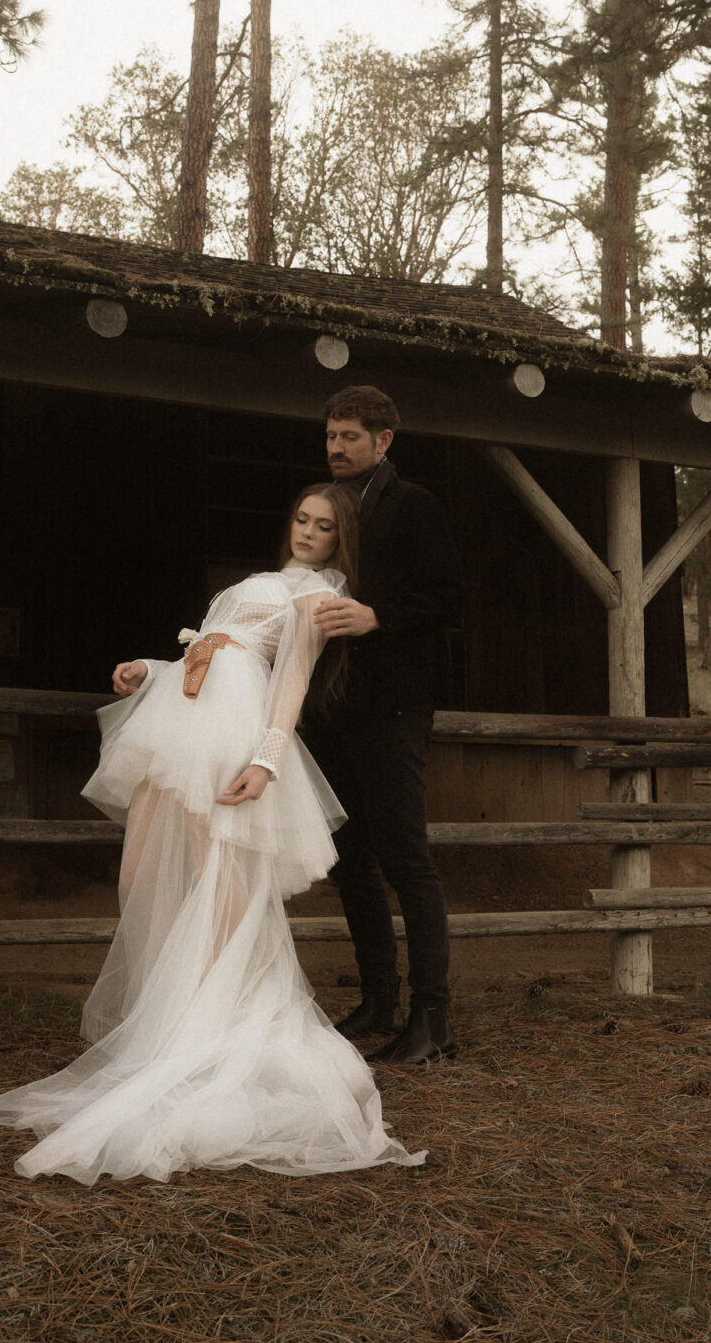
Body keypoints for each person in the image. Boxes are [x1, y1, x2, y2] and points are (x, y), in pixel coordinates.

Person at [0, 483, 425, 1184]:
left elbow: (291, 677)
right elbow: (207, 652)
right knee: (143, 874)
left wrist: (267, 760)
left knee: (221, 882)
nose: (307, 532)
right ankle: (166, 1023)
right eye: (301, 519)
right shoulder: (249, 584)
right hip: (180, 720)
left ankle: (214, 1034)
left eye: (324, 526)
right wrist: (148, 669)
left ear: (341, 541)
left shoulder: (317, 593)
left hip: (232, 732)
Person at [305, 386, 464, 1065]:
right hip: (334, 708)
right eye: (331, 436)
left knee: (405, 858)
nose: (337, 447)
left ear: (383, 440)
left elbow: (448, 597)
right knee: (349, 863)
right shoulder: (329, 508)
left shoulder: (412, 505)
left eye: (349, 436)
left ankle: (432, 1020)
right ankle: (379, 1001)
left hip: (394, 706)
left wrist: (377, 617)